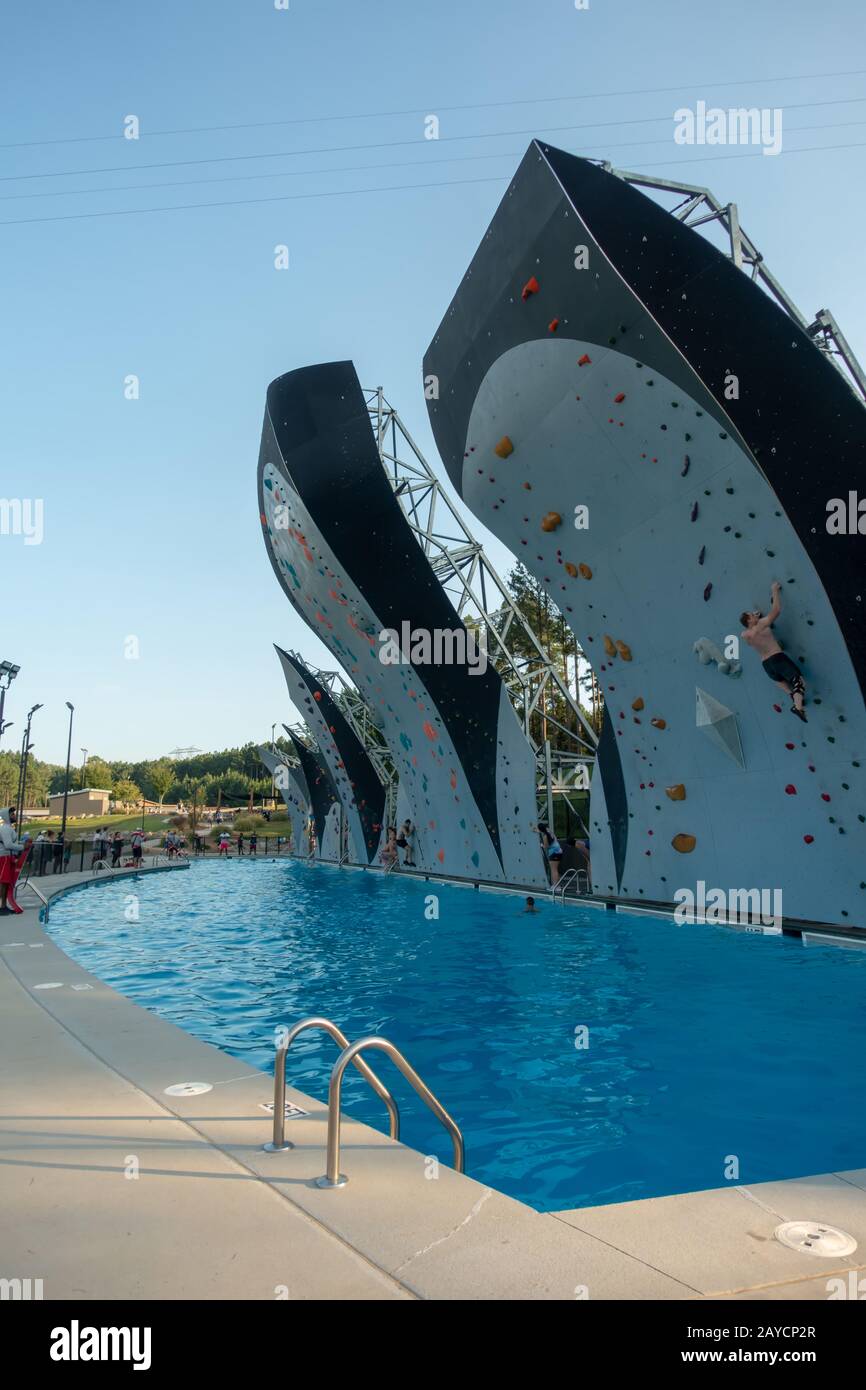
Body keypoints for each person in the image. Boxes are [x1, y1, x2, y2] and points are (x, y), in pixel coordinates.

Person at [741, 581, 807, 721]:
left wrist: (756, 620)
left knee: (784, 683)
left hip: (767, 666)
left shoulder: (746, 636)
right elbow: (776, 610)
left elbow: (752, 632)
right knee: (799, 682)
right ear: (749, 619)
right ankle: (797, 707)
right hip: (777, 659)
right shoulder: (761, 625)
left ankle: (794, 698)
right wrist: (774, 590)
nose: (754, 614)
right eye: (751, 615)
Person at [0, 808, 24, 914]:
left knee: (5, 882)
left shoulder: (9, 828)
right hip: (4, 857)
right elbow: (8, 844)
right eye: (12, 814)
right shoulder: (5, 828)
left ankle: (4, 906)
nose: (14, 815)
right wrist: (22, 847)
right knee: (3, 882)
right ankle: (2, 906)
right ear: (7, 816)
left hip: (8, 857)